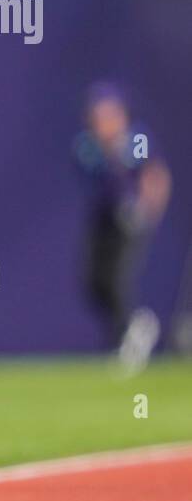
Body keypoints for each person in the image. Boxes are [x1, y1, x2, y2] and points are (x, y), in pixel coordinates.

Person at [74, 83, 171, 367]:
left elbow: (154, 175)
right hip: (102, 218)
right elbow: (94, 176)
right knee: (93, 280)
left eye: (108, 115)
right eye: (97, 116)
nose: (102, 122)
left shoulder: (137, 139)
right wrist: (108, 148)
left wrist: (146, 210)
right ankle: (129, 328)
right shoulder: (85, 145)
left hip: (130, 219)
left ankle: (131, 333)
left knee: (117, 278)